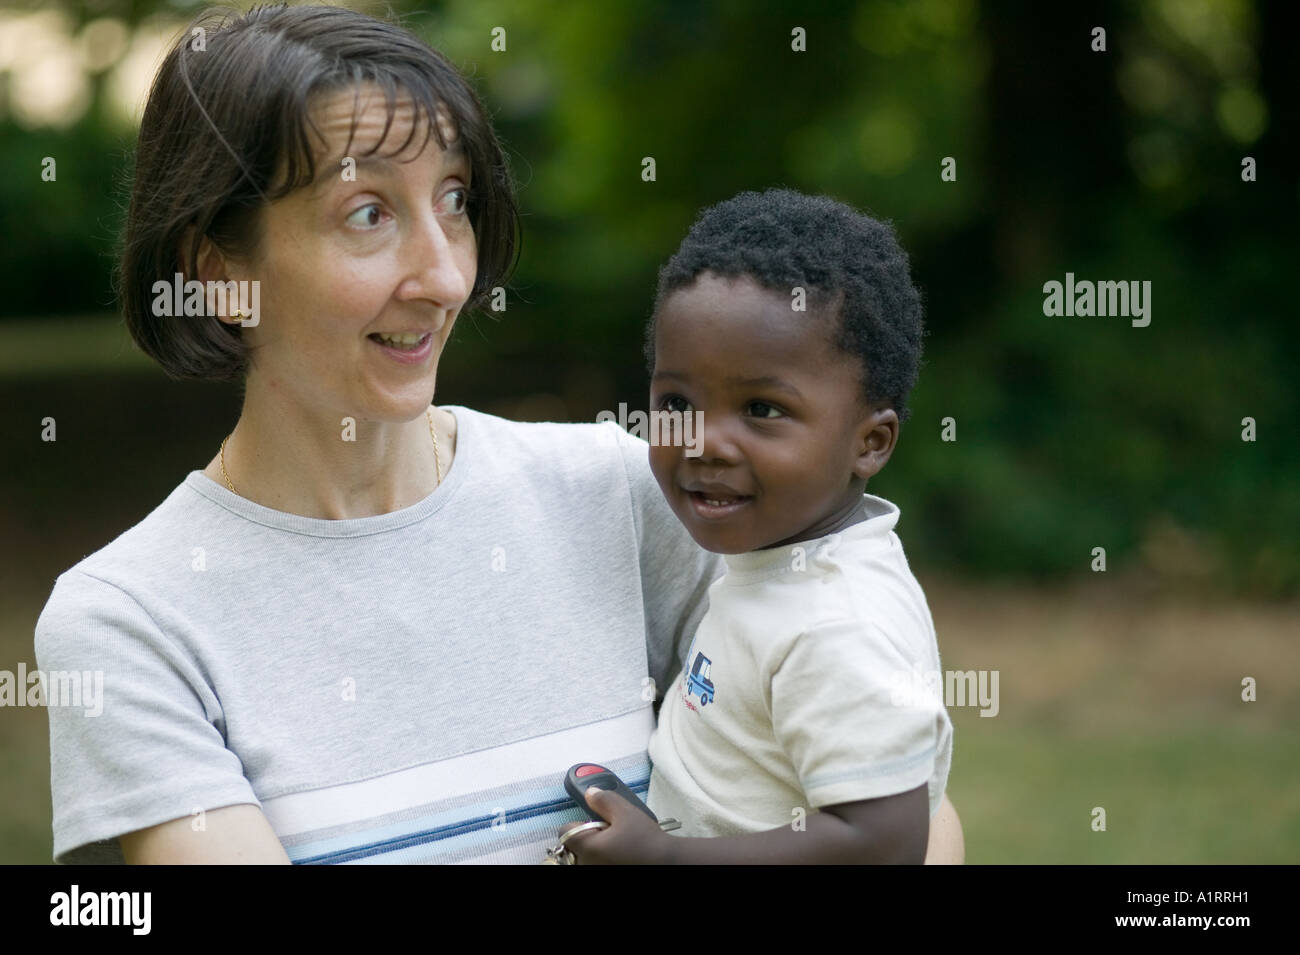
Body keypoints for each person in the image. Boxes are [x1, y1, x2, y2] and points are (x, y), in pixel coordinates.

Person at [34, 5, 963, 864]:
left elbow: (908, 821)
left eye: (453, 200)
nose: (444, 275)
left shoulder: (629, 496)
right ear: (218, 270)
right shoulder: (133, 623)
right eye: (368, 214)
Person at [562, 190, 954, 863]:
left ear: (871, 441)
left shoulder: (838, 620)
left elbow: (885, 842)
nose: (705, 443)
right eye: (677, 402)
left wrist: (664, 858)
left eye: (763, 408)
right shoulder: (776, 561)